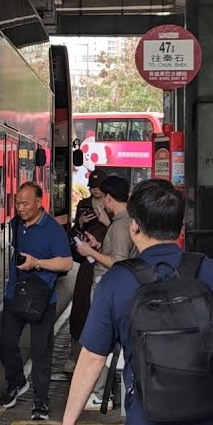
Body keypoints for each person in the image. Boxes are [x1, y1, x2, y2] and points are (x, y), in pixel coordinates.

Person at [54, 179, 213, 425]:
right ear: (181, 227)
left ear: (133, 227)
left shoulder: (117, 282)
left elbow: (91, 359)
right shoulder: (211, 272)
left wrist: (68, 424)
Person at [0, 182, 73, 420]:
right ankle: (16, 382)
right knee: (6, 344)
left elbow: (66, 263)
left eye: (25, 203)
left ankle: (40, 402)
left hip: (42, 299)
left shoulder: (53, 230)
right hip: (15, 295)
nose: (20, 208)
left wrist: (37, 264)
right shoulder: (16, 224)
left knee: (41, 352)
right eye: (17, 203)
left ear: (39, 202)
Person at [74, 174, 136, 408]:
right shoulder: (124, 222)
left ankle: (101, 394)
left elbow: (118, 261)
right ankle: (105, 392)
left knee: (102, 340)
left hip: (106, 283)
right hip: (113, 286)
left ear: (109, 198)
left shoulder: (120, 225)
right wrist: (98, 245)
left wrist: (90, 253)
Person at [65, 169, 109, 373]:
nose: (96, 191)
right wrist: (80, 224)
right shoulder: (84, 205)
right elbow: (74, 232)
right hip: (87, 264)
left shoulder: (114, 208)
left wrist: (105, 222)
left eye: (99, 188)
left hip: (107, 262)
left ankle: (103, 360)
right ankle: (75, 354)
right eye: (93, 187)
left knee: (104, 310)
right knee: (81, 308)